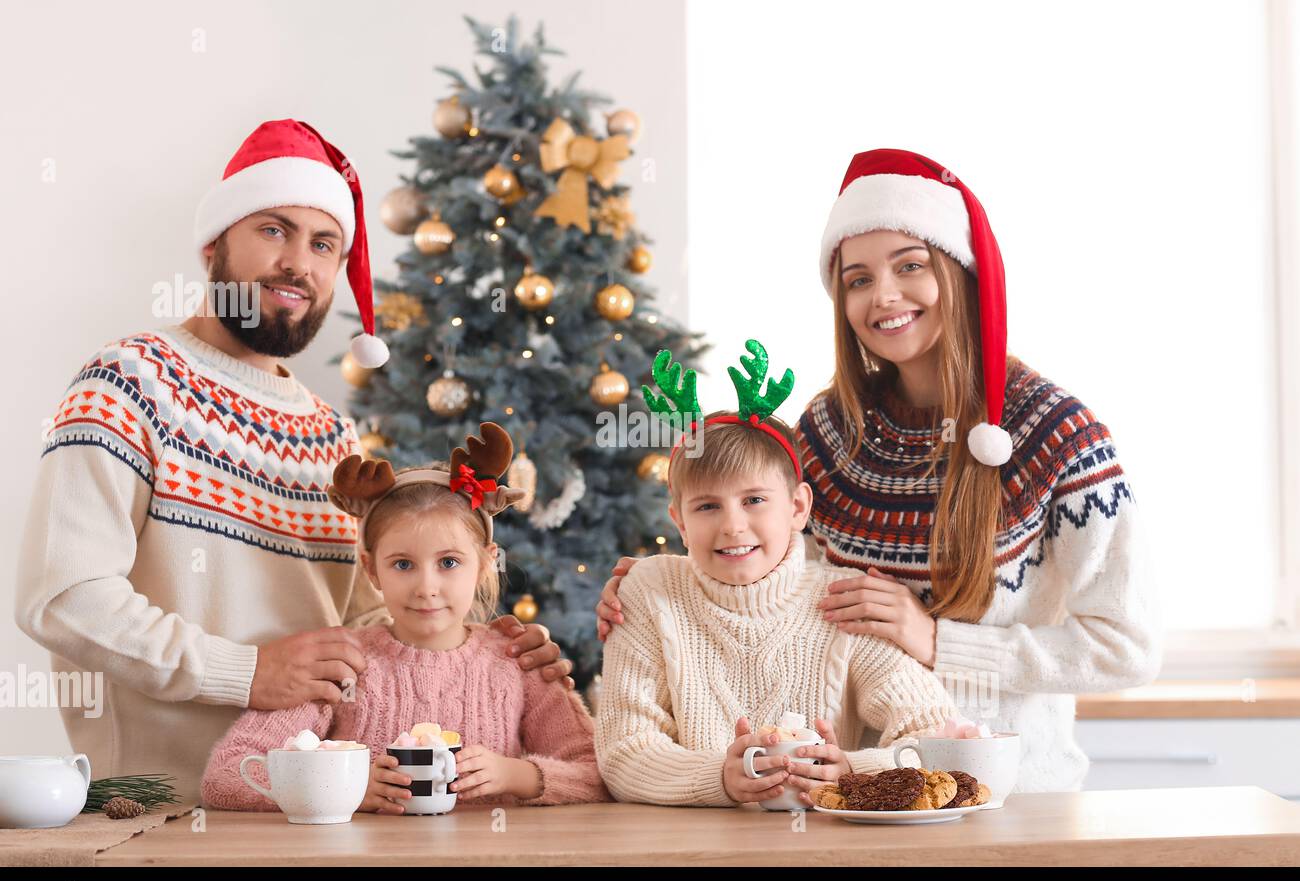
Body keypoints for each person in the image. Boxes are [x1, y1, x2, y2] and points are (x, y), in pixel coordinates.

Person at [14, 119, 570, 801]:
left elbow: (373, 630)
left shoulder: (334, 438)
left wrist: (484, 647)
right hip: (154, 813)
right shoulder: (129, 382)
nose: (298, 264)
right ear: (216, 243)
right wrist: (246, 673)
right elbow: (64, 598)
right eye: (273, 230)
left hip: (319, 818)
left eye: (323, 244)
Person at [597, 149, 1162, 794]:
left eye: (910, 266)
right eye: (858, 279)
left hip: (1012, 792)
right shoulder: (827, 433)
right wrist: (659, 584)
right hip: (861, 796)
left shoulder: (1055, 432)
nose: (883, 296)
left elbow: (1126, 645)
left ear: (958, 272)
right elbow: (774, 587)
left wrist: (937, 641)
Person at [594, 342, 962, 807]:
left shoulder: (843, 601)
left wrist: (852, 772)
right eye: (708, 506)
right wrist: (719, 779)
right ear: (680, 522)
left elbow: (935, 733)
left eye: (754, 500)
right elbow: (624, 750)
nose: (732, 525)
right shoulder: (651, 592)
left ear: (797, 507)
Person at [202, 423, 609, 811]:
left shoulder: (519, 662)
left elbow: (597, 773)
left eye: (449, 562)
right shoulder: (340, 664)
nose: (426, 587)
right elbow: (227, 774)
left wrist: (518, 775)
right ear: (371, 568)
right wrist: (343, 790)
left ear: (486, 564)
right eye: (402, 564)